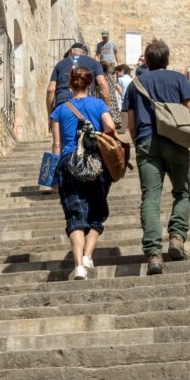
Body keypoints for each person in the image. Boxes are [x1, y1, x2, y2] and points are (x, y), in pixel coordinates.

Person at [123, 37, 190, 276]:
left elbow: (130, 125)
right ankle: (176, 238)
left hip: (146, 142)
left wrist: (140, 144)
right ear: (167, 59)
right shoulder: (179, 79)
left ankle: (154, 254)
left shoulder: (134, 85)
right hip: (176, 141)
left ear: (148, 61)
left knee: (150, 198)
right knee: (182, 192)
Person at [49, 66, 115, 279]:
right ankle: (87, 255)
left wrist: (52, 176)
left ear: (70, 85)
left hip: (68, 163)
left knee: (74, 216)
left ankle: (78, 266)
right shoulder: (98, 104)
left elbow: (56, 144)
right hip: (95, 162)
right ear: (90, 85)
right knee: (97, 212)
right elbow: (111, 126)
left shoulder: (60, 109)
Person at [45, 41, 111, 125]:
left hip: (63, 105)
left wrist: (50, 115)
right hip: (88, 105)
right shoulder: (95, 63)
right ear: (85, 53)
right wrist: (105, 109)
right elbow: (102, 83)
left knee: (62, 137)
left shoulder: (60, 64)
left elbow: (51, 90)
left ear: (71, 51)